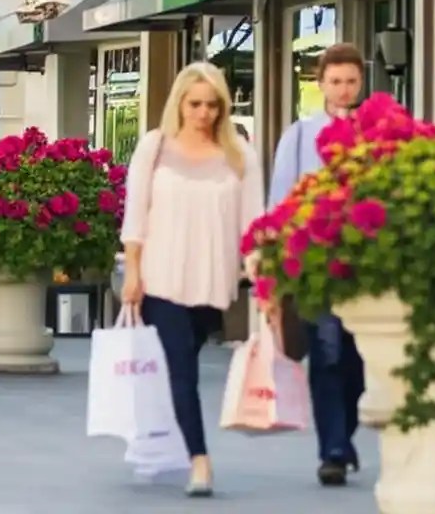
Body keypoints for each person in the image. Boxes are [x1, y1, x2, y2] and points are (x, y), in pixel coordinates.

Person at [119, 62, 264, 498]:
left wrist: (260, 271)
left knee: (184, 364)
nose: (203, 112)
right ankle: (199, 460)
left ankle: (165, 439)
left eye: (211, 104)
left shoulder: (239, 155)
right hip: (161, 280)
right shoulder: (155, 147)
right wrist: (133, 271)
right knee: (182, 368)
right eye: (195, 103)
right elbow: (135, 214)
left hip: (212, 283)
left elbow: (253, 222)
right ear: (179, 104)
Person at [268, 43, 367, 487]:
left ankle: (343, 436)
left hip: (367, 264)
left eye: (350, 81)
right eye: (335, 82)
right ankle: (332, 449)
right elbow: (280, 201)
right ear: (321, 84)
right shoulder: (301, 135)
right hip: (315, 263)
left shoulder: (376, 132)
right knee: (326, 354)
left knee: (357, 362)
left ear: (361, 82)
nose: (343, 90)